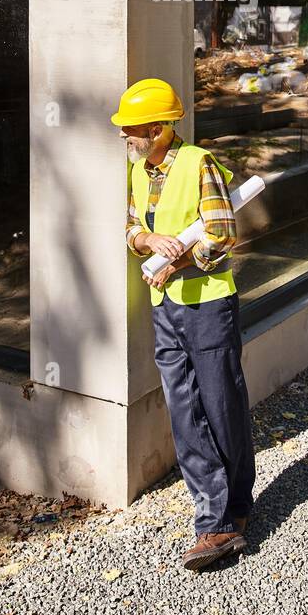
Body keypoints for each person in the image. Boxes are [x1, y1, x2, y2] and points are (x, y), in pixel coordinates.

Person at [112, 77, 256, 571]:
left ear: (155, 128)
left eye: (129, 128)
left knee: (220, 406)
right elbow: (131, 227)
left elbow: (221, 237)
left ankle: (232, 512)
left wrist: (183, 261)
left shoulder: (199, 165)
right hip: (165, 307)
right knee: (182, 409)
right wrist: (151, 244)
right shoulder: (137, 171)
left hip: (209, 307)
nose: (123, 137)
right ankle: (215, 520)